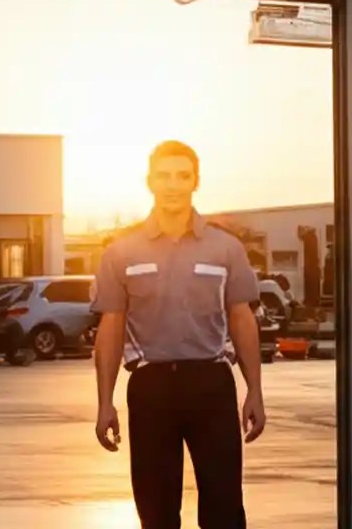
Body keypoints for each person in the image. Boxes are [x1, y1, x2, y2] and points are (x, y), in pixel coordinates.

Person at [92, 140, 266, 529]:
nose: (173, 184)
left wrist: (254, 390)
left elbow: (242, 320)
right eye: (164, 175)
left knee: (224, 509)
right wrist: (105, 402)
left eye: (182, 175)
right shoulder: (122, 252)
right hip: (150, 388)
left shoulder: (226, 248)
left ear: (195, 182)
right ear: (149, 181)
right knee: (156, 512)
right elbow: (110, 330)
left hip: (211, 386)